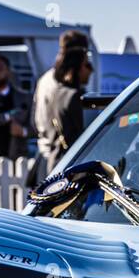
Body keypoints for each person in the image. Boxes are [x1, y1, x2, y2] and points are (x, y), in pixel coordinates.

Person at [33, 46, 93, 179]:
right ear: (75, 68)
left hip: (55, 161)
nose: (91, 70)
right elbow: (80, 136)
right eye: (87, 65)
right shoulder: (74, 96)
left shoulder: (56, 92)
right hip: (72, 165)